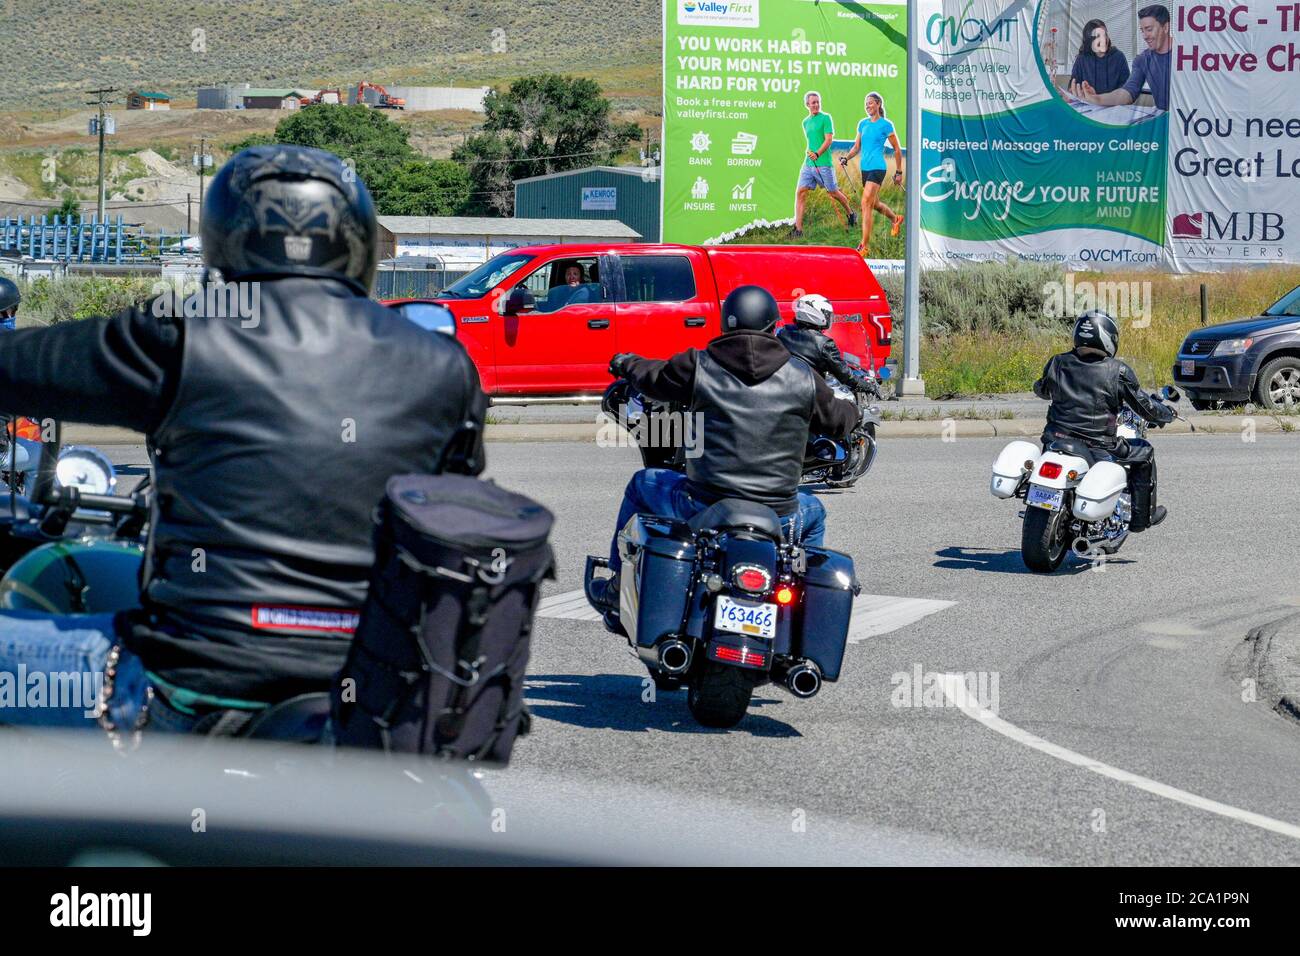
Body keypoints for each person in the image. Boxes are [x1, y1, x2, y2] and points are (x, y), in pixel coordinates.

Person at [0, 145, 489, 734]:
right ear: (356, 241)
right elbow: (453, 508)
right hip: (374, 687)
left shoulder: (185, 338)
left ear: (224, 236)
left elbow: (22, 365)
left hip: (192, 681)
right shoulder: (443, 366)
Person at [596, 285, 858, 600]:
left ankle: (616, 583)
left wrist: (626, 363)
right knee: (814, 512)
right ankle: (805, 594)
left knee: (642, 483)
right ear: (773, 325)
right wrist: (852, 408)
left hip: (703, 503)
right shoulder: (802, 376)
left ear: (725, 323)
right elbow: (840, 421)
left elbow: (653, 376)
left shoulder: (700, 364)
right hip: (780, 513)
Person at [1033, 310, 1173, 532]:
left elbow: (1041, 390)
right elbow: (1145, 407)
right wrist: (1167, 414)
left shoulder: (1057, 362)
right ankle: (1141, 518)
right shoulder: (1117, 371)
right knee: (1144, 452)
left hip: (1054, 440)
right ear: (1109, 337)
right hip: (1098, 445)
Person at [838, 92, 904, 255]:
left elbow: (896, 149)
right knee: (874, 203)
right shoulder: (863, 124)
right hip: (865, 168)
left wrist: (898, 172)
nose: (867, 106)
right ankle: (895, 219)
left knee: (865, 202)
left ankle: (864, 246)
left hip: (878, 167)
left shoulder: (886, 125)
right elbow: (856, 146)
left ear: (878, 104)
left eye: (870, 103)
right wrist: (846, 158)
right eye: (866, 103)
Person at [1074, 5, 1171, 111]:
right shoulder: (1142, 60)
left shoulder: (1187, 55)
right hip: (1165, 121)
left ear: (1165, 27)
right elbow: (1127, 93)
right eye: (1142, 31)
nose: (1144, 36)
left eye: (1149, 29)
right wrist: (1096, 99)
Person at [777, 293, 873, 396]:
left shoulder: (784, 332)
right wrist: (867, 386)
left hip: (784, 387)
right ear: (816, 315)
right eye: (827, 314)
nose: (829, 317)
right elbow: (844, 374)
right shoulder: (824, 344)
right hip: (810, 393)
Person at [793, 91, 856, 239]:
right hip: (809, 163)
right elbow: (812, 140)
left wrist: (817, 153)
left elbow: (828, 140)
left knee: (833, 192)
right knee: (800, 192)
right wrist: (810, 151)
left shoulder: (826, 118)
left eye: (817, 102)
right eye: (812, 102)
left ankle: (851, 214)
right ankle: (798, 230)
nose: (815, 105)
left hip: (823, 164)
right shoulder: (805, 122)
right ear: (807, 105)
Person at [1067, 19, 1130, 98]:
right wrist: (1078, 92)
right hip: (1088, 106)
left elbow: (1127, 89)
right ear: (1089, 40)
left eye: (1105, 34)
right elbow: (1074, 85)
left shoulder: (1119, 57)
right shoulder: (1081, 59)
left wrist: (1099, 98)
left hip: (1113, 107)